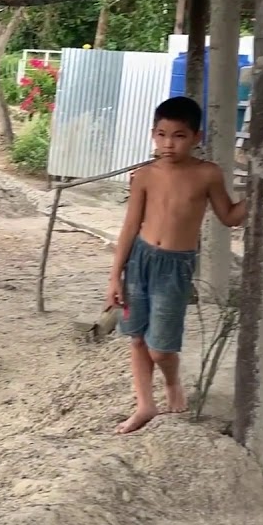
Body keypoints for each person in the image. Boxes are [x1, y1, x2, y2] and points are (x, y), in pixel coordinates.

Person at [106, 96, 247, 435]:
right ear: (153, 134)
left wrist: (259, 194)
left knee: (160, 347)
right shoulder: (144, 175)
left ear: (197, 137)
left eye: (179, 135)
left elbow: (228, 217)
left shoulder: (207, 174)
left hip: (175, 266)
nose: (168, 143)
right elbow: (130, 226)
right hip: (139, 261)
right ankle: (144, 404)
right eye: (161, 134)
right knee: (137, 338)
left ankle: (172, 382)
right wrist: (115, 275)